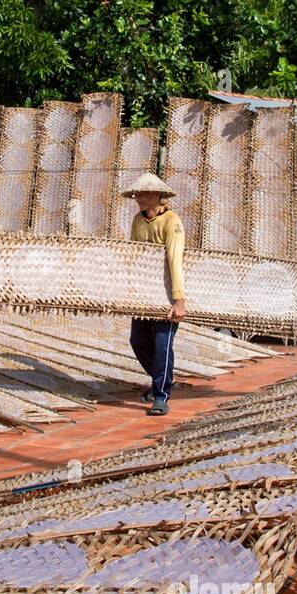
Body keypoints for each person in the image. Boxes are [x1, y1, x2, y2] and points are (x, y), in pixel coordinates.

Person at [121, 172, 185, 416]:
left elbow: (174, 260)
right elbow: (134, 255)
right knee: (138, 341)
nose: (138, 198)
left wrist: (179, 300)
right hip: (145, 292)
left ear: (157, 196)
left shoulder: (172, 222)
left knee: (162, 344)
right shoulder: (139, 220)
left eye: (143, 194)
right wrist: (130, 289)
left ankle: (161, 394)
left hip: (167, 293)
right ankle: (163, 378)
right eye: (137, 194)